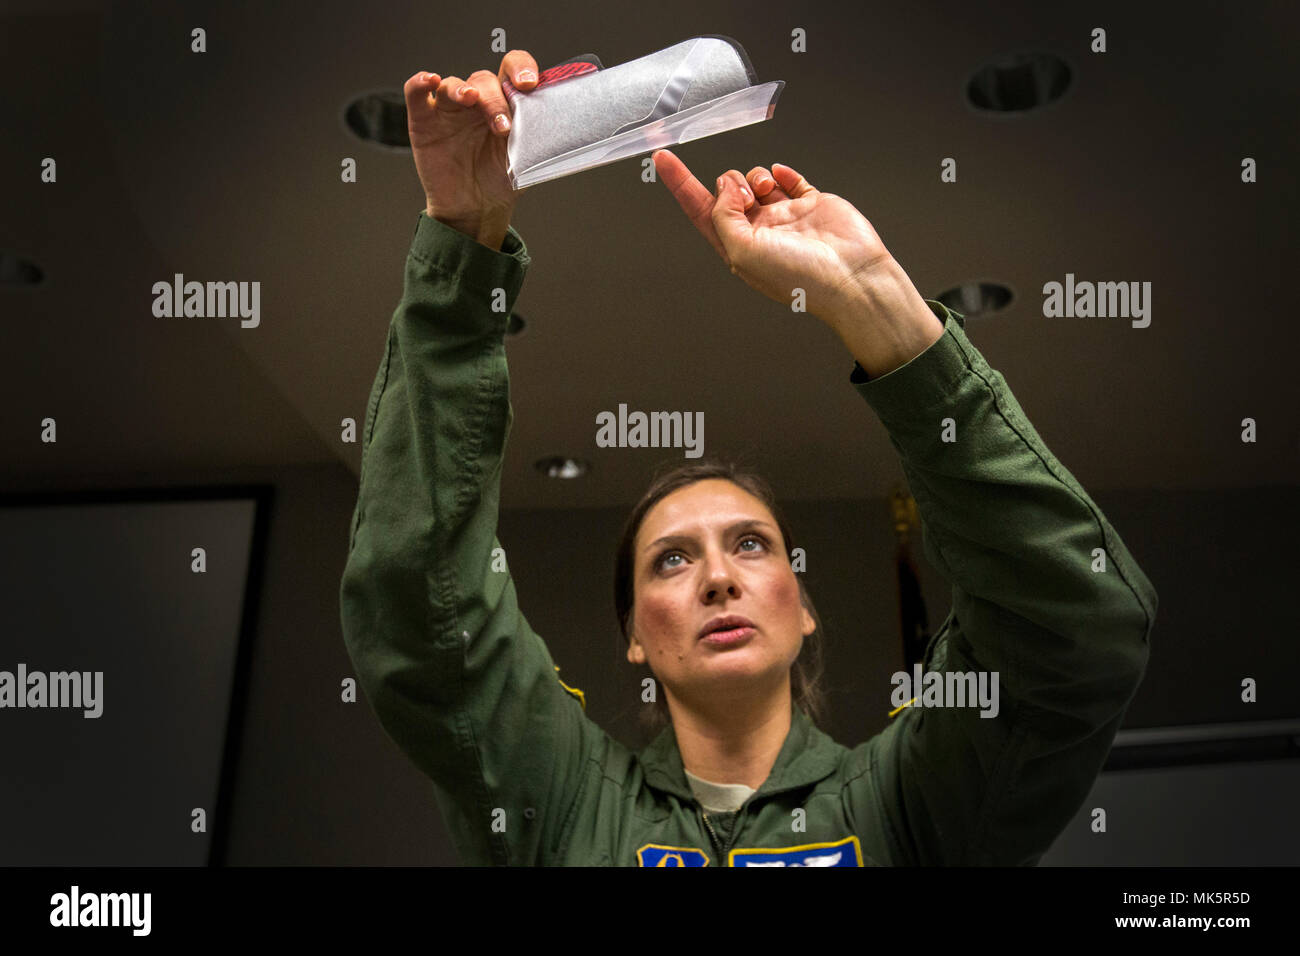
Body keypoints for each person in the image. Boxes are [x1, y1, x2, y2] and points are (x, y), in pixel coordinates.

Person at [339, 49, 1158, 866]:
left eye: (752, 544)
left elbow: (1072, 635)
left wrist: (872, 301)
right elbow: (421, 614)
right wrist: (461, 236)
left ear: (804, 606)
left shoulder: (910, 802)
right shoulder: (558, 796)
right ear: (635, 637)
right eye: (669, 562)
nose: (718, 579)